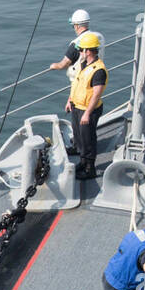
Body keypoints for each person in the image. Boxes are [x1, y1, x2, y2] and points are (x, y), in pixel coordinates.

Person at [63, 31, 107, 180]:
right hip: (77, 106)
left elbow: (96, 94)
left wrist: (88, 113)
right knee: (80, 137)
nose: (80, 52)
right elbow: (77, 82)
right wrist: (70, 99)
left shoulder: (99, 70)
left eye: (82, 50)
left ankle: (90, 168)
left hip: (88, 109)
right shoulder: (84, 64)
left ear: (88, 51)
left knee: (88, 139)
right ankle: (82, 162)